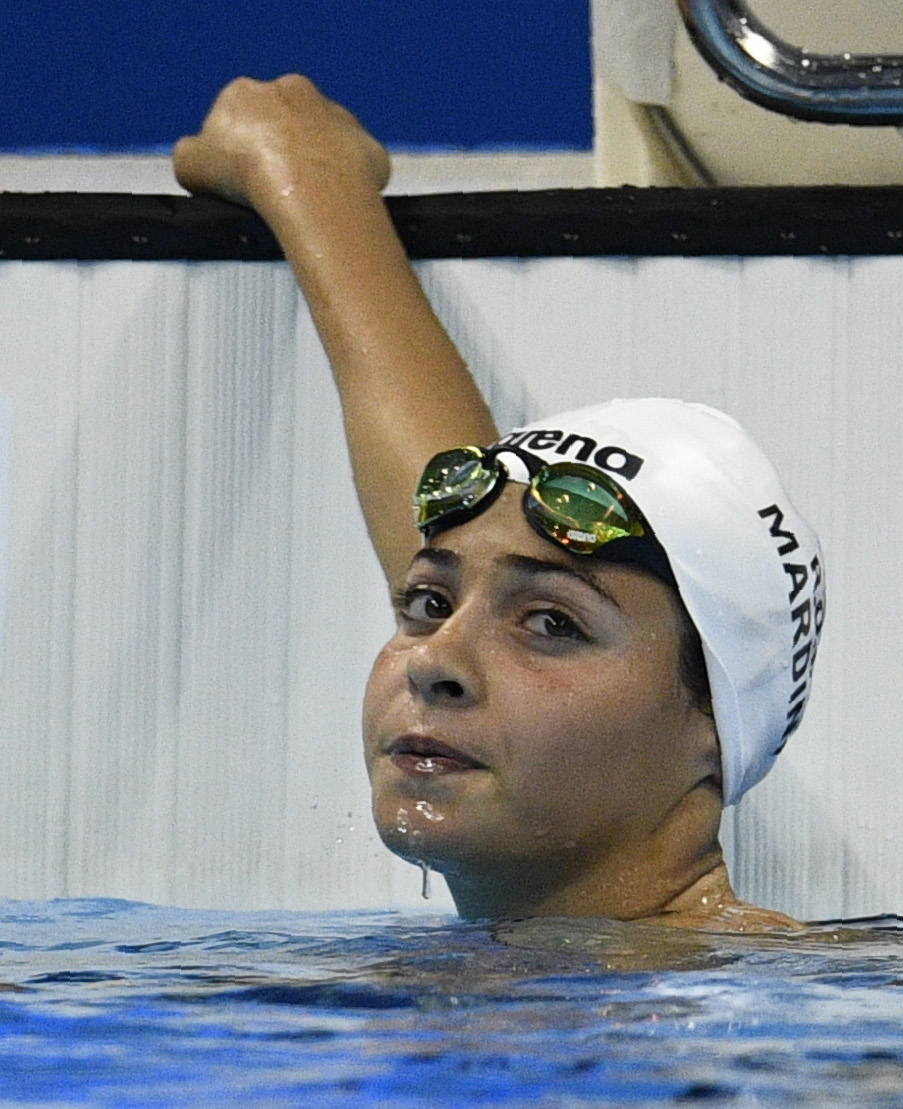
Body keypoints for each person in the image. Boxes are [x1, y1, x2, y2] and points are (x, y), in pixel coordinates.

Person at [173, 75, 823, 931]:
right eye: (427, 602)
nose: (433, 658)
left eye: (553, 624)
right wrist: (309, 179)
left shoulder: (781, 1025)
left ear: (716, 722)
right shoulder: (546, 985)